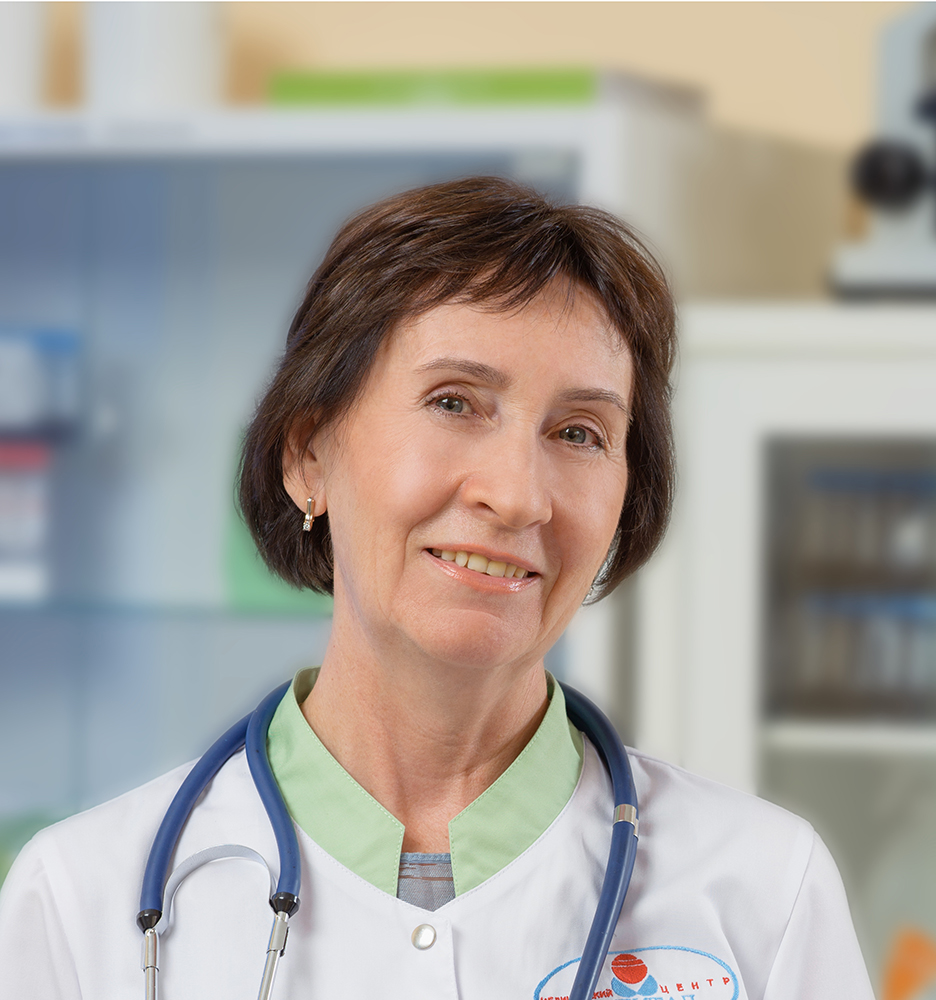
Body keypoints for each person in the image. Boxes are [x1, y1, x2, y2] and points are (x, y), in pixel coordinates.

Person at [0, 177, 875, 999]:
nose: (518, 495)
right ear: (308, 456)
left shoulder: (763, 889)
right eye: (455, 402)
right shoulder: (82, 899)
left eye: (579, 432)